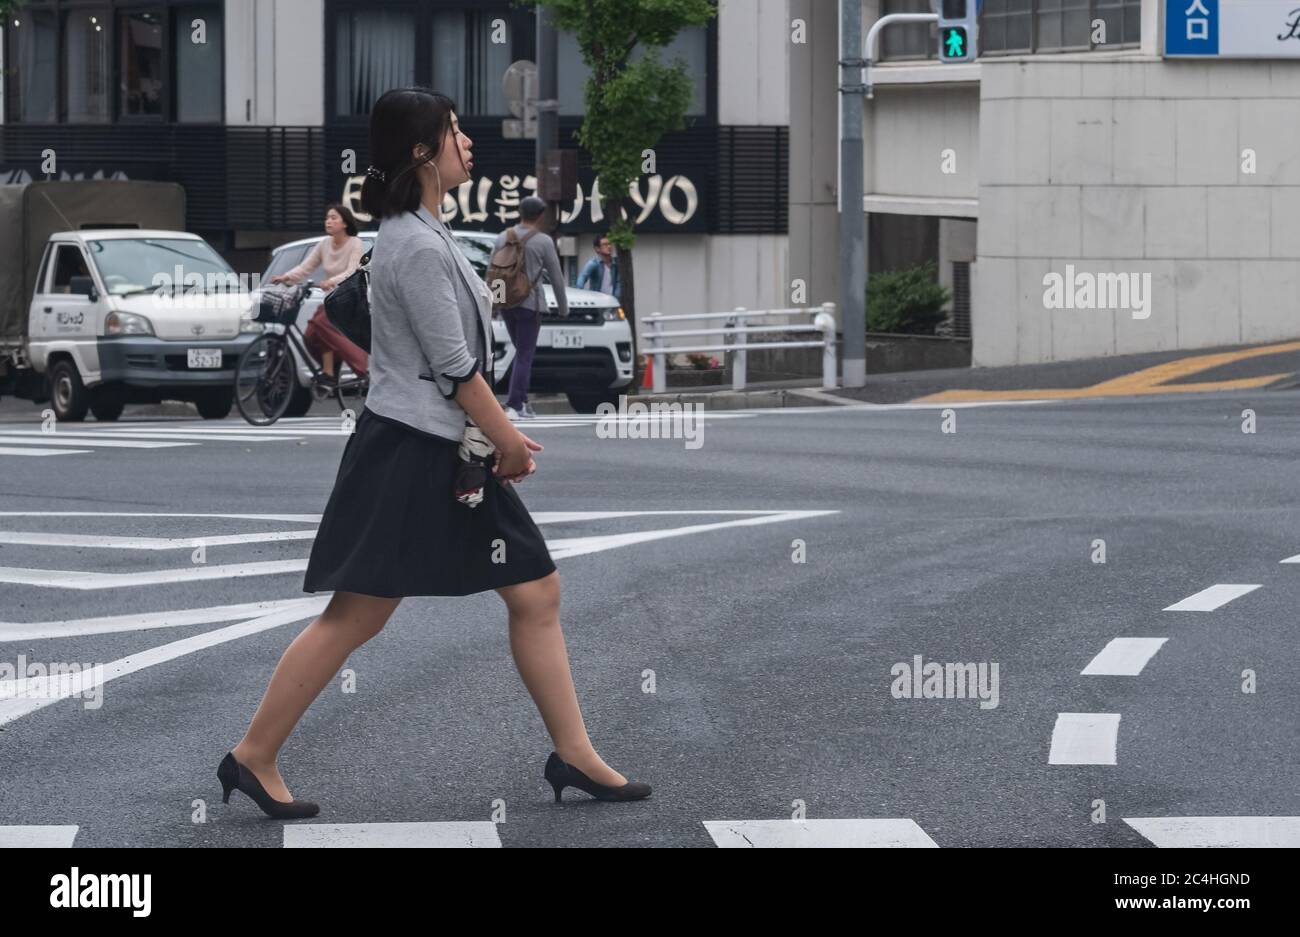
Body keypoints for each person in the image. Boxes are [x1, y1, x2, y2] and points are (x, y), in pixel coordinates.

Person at [217, 88, 649, 819]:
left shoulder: (424, 229)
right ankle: (253, 755)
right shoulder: (413, 243)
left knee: (533, 590)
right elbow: (454, 368)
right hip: (414, 455)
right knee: (357, 615)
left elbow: (451, 363)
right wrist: (507, 439)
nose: (467, 143)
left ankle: (573, 752)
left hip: (436, 449)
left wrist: (502, 438)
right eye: (454, 132)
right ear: (422, 151)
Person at [494, 196, 569, 421]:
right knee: (525, 354)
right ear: (539, 216)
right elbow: (556, 276)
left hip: (507, 303)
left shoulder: (502, 237)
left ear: (520, 212)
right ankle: (515, 404)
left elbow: (494, 271)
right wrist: (563, 307)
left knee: (521, 353)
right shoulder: (543, 241)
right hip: (530, 304)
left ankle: (523, 402)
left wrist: (497, 302)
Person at [273, 204, 366, 382]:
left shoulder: (355, 243)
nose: (328, 221)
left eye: (333, 218)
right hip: (331, 300)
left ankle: (360, 367)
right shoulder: (324, 244)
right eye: (327, 218)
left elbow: (353, 271)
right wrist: (285, 277)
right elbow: (306, 267)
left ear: (345, 223)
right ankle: (329, 373)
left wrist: (332, 281)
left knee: (320, 323)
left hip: (348, 299)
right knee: (311, 334)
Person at [576, 233, 620, 299]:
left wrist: (616, 299)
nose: (609, 246)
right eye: (605, 244)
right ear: (597, 249)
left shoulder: (616, 264)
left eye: (610, 244)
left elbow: (618, 283)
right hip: (598, 302)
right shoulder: (593, 263)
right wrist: (581, 295)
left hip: (612, 303)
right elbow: (582, 277)